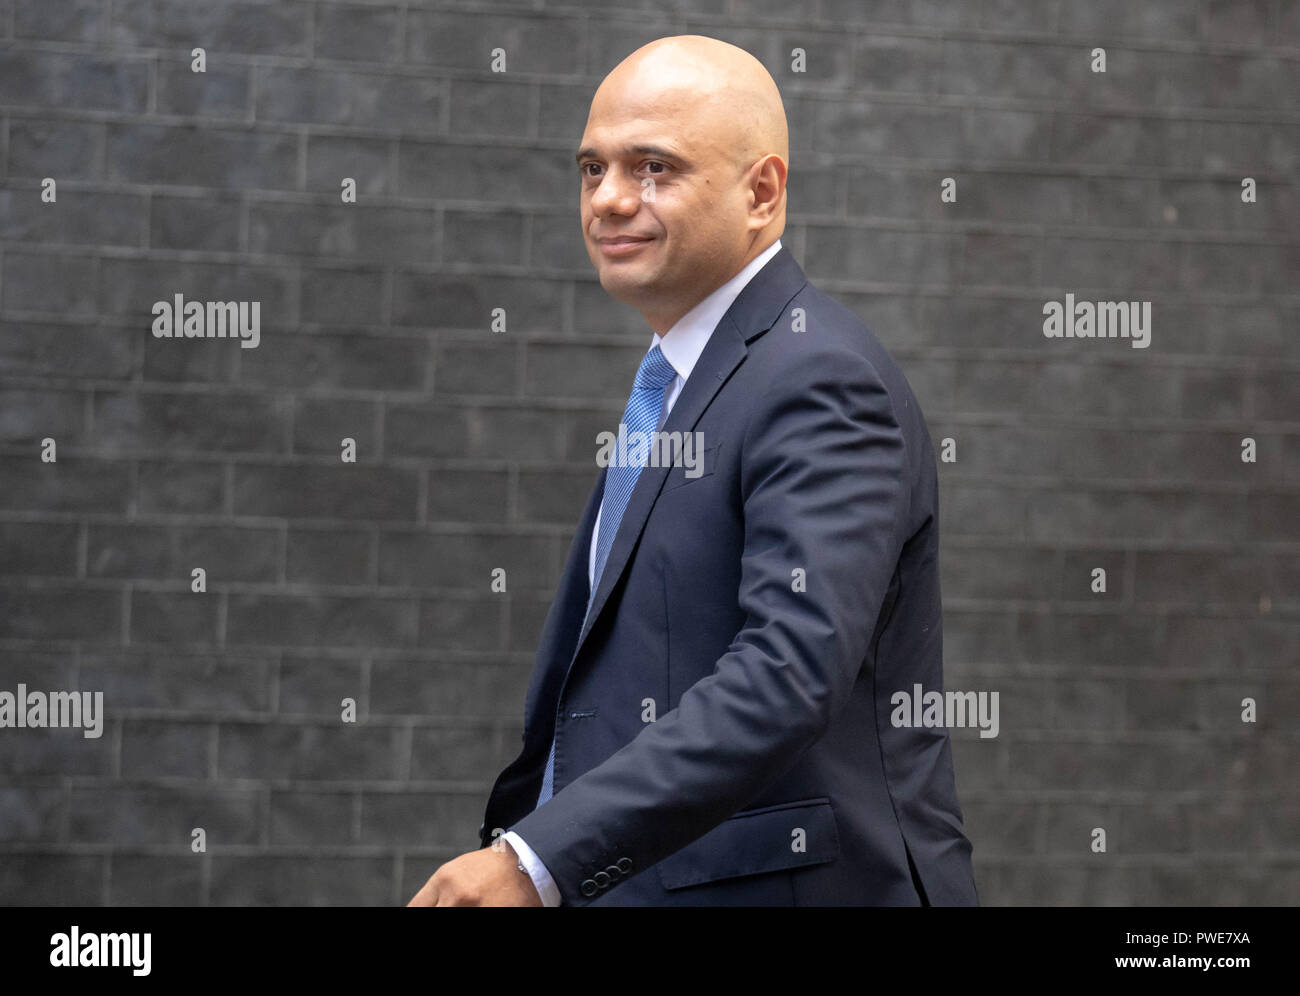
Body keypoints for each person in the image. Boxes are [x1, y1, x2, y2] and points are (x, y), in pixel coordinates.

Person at [408, 33, 977, 907]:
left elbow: (787, 671)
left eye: (654, 168)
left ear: (762, 191)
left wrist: (535, 860)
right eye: (591, 169)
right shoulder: (683, 384)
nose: (608, 199)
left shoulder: (817, 377)